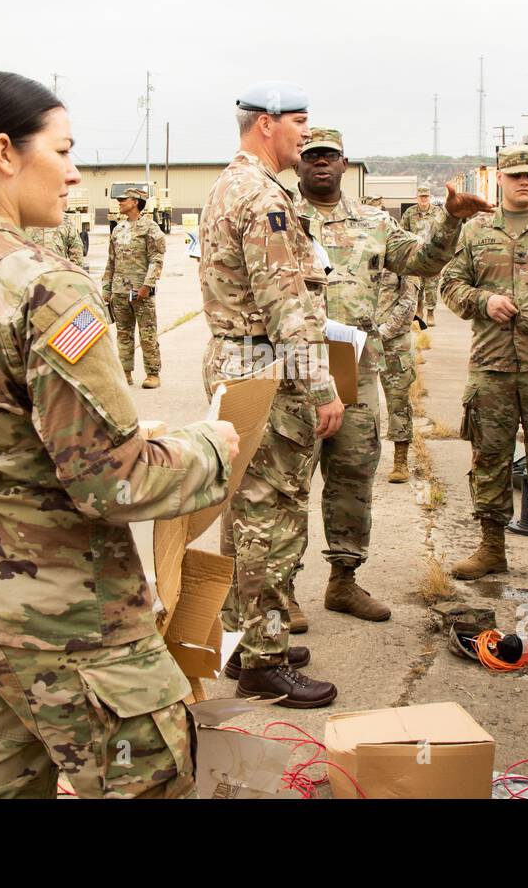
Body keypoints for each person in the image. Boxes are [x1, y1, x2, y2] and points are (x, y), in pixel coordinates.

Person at [0, 71, 239, 797]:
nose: (75, 174)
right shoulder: (42, 283)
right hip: (71, 629)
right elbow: (115, 481)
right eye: (65, 151)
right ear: (5, 153)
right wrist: (211, 449)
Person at [292, 128, 490, 624]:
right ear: (298, 165)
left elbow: (423, 261)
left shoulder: (374, 221)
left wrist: (450, 221)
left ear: (344, 164)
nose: (320, 163)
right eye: (311, 155)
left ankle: (344, 580)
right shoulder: (279, 219)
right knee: (288, 479)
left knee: (354, 471)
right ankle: (282, 591)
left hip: (350, 361)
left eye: (329, 156)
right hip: (294, 361)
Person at [200, 81, 343, 707]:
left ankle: (251, 634)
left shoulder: (228, 186)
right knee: (272, 513)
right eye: (300, 122)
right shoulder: (263, 198)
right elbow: (288, 309)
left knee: (247, 507)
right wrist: (324, 390)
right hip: (267, 365)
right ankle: (262, 660)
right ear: (266, 124)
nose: (307, 134)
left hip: (236, 360)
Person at [440, 145, 528, 579]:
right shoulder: (477, 231)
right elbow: (450, 284)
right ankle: (491, 548)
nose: (523, 182)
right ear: (499, 179)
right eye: (515, 175)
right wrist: (484, 300)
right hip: (492, 364)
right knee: (490, 458)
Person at [104, 187, 165, 388]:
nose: (120, 202)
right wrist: (106, 289)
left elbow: (156, 259)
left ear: (136, 202)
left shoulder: (150, 228)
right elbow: (111, 261)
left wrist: (147, 285)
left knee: (147, 333)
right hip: (119, 290)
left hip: (141, 291)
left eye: (124, 199)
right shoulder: (117, 229)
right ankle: (125, 372)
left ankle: (153, 373)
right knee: (123, 334)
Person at [377, 267, 422, 483]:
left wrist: (382, 332)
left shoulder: (402, 254)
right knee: (352, 401)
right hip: (356, 336)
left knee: (398, 402)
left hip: (394, 342)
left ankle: (400, 460)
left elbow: (408, 302)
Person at [401, 186, 442, 325]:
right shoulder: (409, 212)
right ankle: (419, 309)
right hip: (416, 254)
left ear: (429, 197)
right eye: (421, 197)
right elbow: (403, 232)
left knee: (432, 285)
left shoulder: (438, 212)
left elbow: (444, 230)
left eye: (426, 196)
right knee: (417, 285)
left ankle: (430, 313)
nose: (424, 199)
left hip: (432, 255)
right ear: (416, 198)